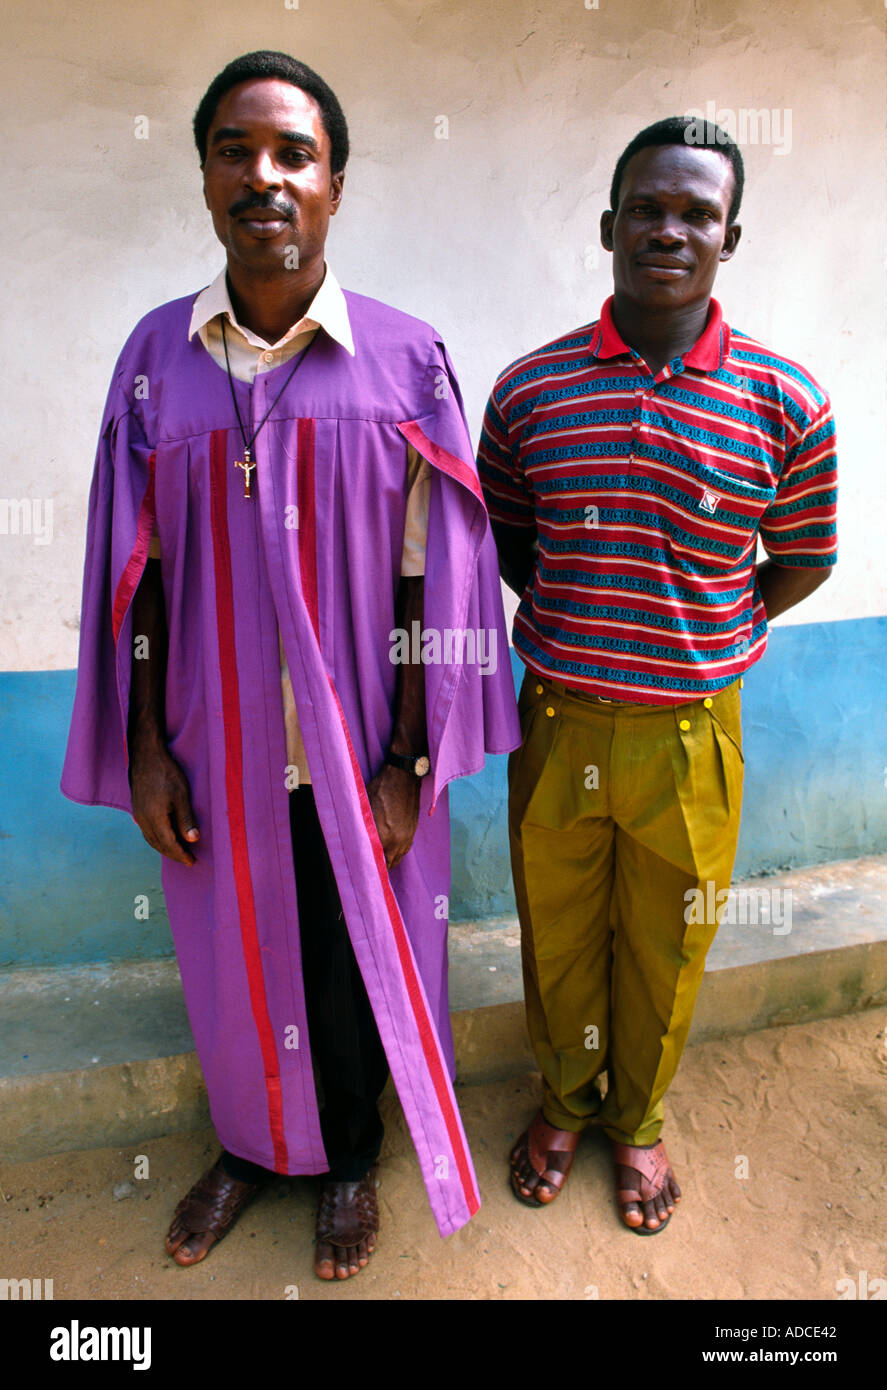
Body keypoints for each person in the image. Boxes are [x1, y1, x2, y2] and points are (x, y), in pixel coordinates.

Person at [61, 50, 518, 1281]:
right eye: (234, 151)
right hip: (213, 744)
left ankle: (348, 1161)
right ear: (207, 177)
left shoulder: (402, 360)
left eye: (292, 154)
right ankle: (254, 1152)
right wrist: (146, 743)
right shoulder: (156, 360)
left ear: (334, 184)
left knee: (356, 959)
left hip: (360, 737)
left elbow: (437, 574)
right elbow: (135, 576)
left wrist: (411, 754)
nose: (263, 176)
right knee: (227, 963)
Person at [477, 117, 837, 1234]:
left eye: (695, 213)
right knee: (559, 928)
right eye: (647, 207)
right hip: (560, 720)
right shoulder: (528, 393)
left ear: (730, 236)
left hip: (691, 731)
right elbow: (512, 541)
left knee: (671, 939)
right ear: (607, 226)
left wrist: (698, 634)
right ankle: (561, 1098)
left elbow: (803, 557)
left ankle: (636, 1119)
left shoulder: (786, 401)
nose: (668, 230)